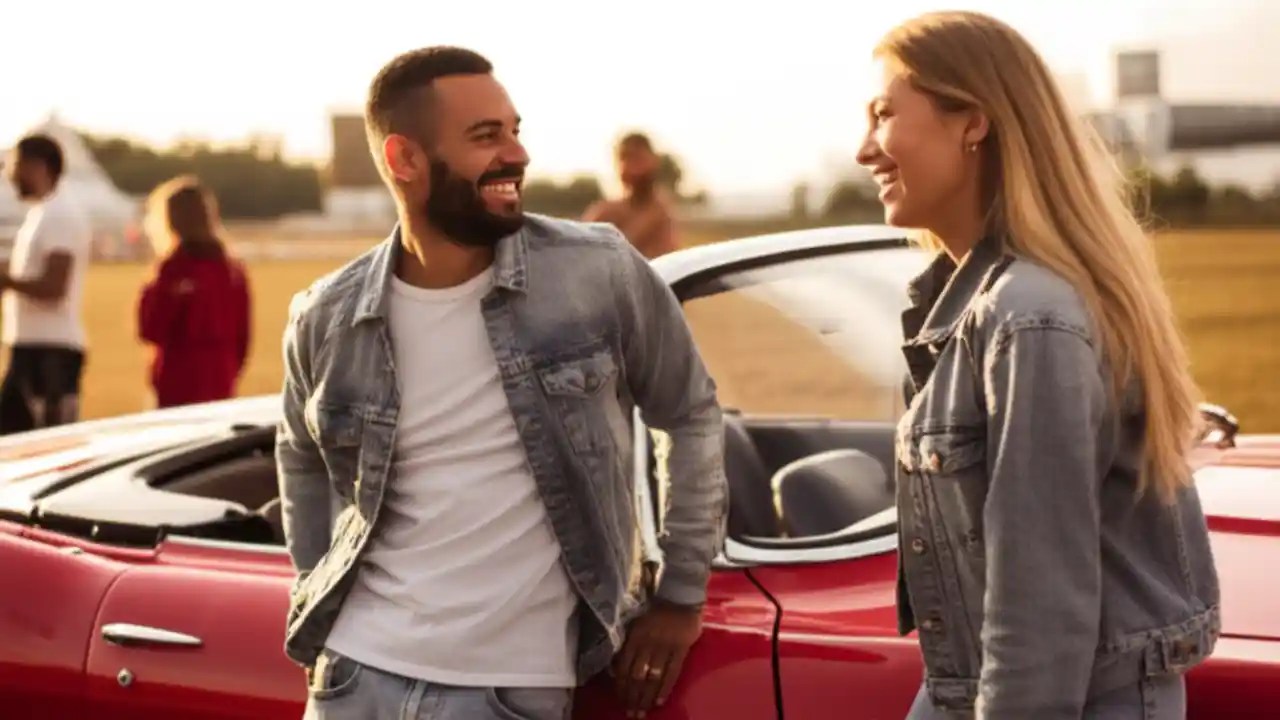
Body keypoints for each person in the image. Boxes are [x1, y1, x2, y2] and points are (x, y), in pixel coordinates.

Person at [275, 46, 726, 720]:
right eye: (486, 136)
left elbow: (689, 412)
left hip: (509, 689)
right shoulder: (328, 314)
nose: (516, 154)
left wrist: (682, 595)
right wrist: (314, 588)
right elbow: (299, 454)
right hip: (352, 681)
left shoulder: (596, 271)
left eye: (515, 130)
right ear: (404, 159)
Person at [854, 11, 1219, 719]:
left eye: (883, 114)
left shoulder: (1030, 318)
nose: (865, 148)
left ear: (973, 123)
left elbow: (1038, 609)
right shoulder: (966, 305)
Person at [0, 134, 93, 434]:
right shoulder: (41, 214)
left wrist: (7, 280)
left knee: (52, 448)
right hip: (30, 346)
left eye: (14, 165)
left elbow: (54, 287)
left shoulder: (61, 214)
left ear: (38, 166)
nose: (10, 175)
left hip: (51, 350)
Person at [137, 175, 251, 408]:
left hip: (177, 379)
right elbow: (243, 335)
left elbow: (150, 327)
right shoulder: (232, 270)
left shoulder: (173, 269)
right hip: (222, 376)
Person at [582, 132, 680, 259]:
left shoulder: (664, 212)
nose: (632, 168)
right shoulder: (605, 214)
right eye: (625, 158)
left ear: (654, 161)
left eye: (638, 158)